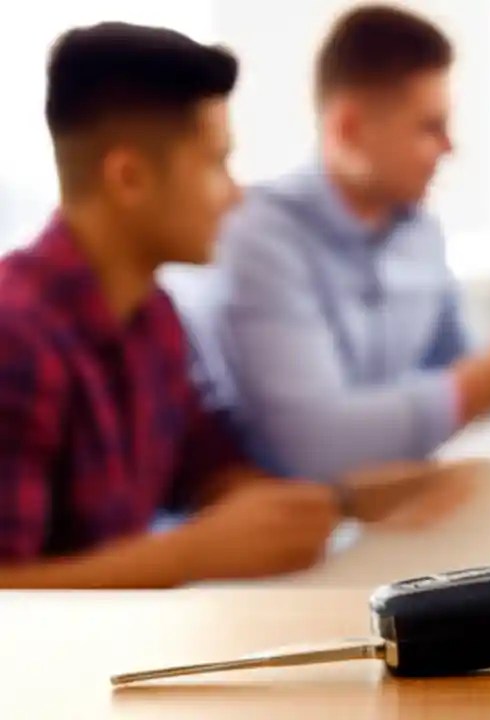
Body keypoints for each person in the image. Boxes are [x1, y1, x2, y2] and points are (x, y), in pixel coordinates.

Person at [189, 5, 490, 481]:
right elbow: (315, 448)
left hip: (395, 517)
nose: (451, 148)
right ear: (348, 128)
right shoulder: (259, 236)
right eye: (430, 127)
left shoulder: (420, 235)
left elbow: (463, 379)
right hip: (291, 536)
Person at [0, 23, 343, 587]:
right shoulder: (18, 340)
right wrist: (193, 554)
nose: (236, 194)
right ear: (129, 178)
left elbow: (202, 462)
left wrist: (289, 508)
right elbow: (5, 596)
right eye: (216, 163)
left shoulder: (154, 316)